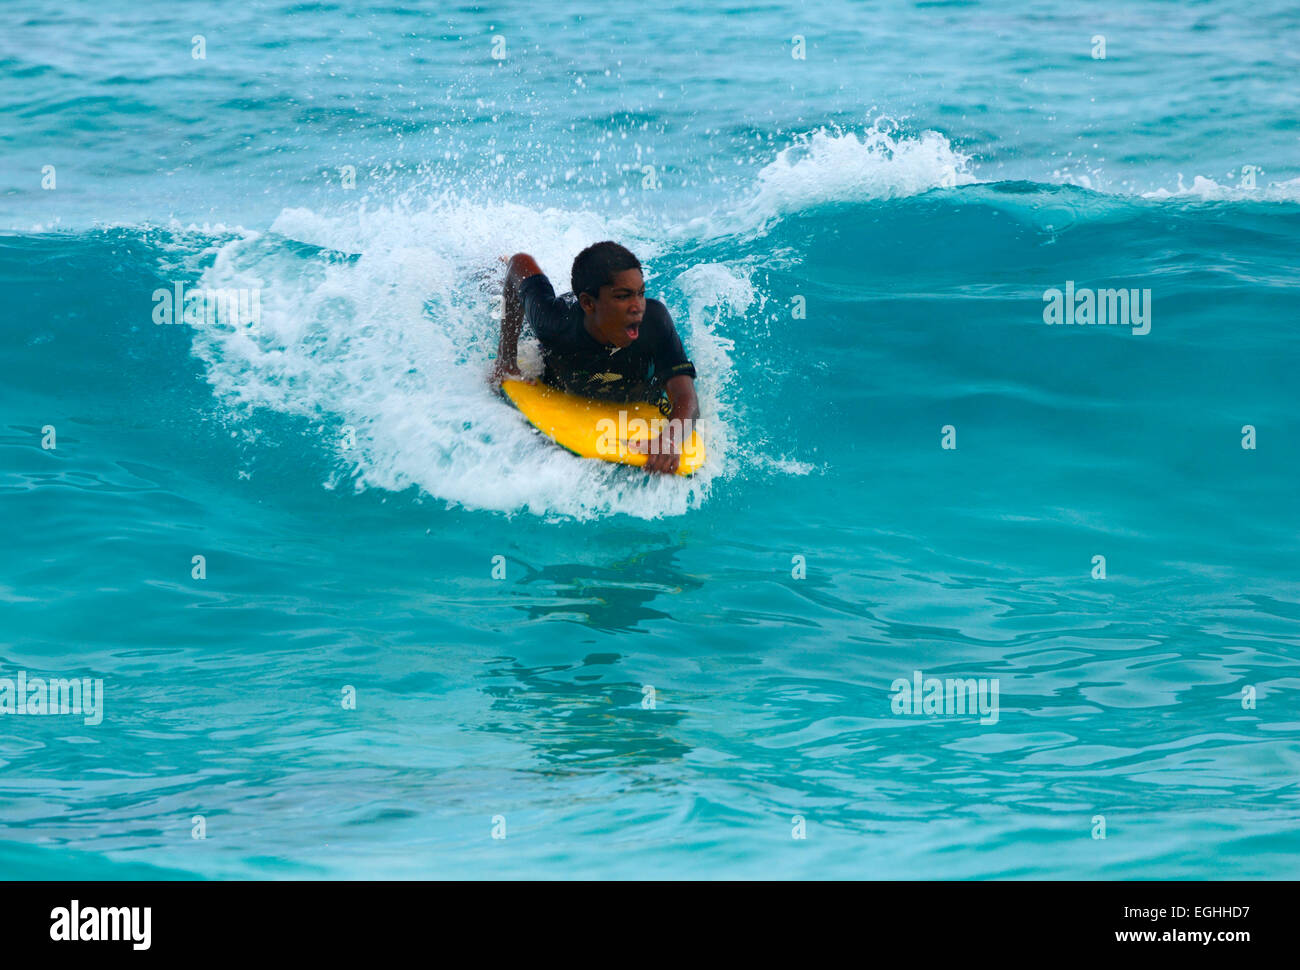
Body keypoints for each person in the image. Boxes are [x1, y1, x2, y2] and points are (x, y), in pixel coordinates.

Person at [490, 241, 700, 475]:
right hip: (561, 369)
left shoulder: (654, 321)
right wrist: (506, 359)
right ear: (589, 303)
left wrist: (670, 439)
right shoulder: (554, 322)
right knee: (497, 292)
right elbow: (519, 263)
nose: (637, 307)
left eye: (641, 294)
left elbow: (686, 396)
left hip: (633, 395)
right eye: (623, 297)